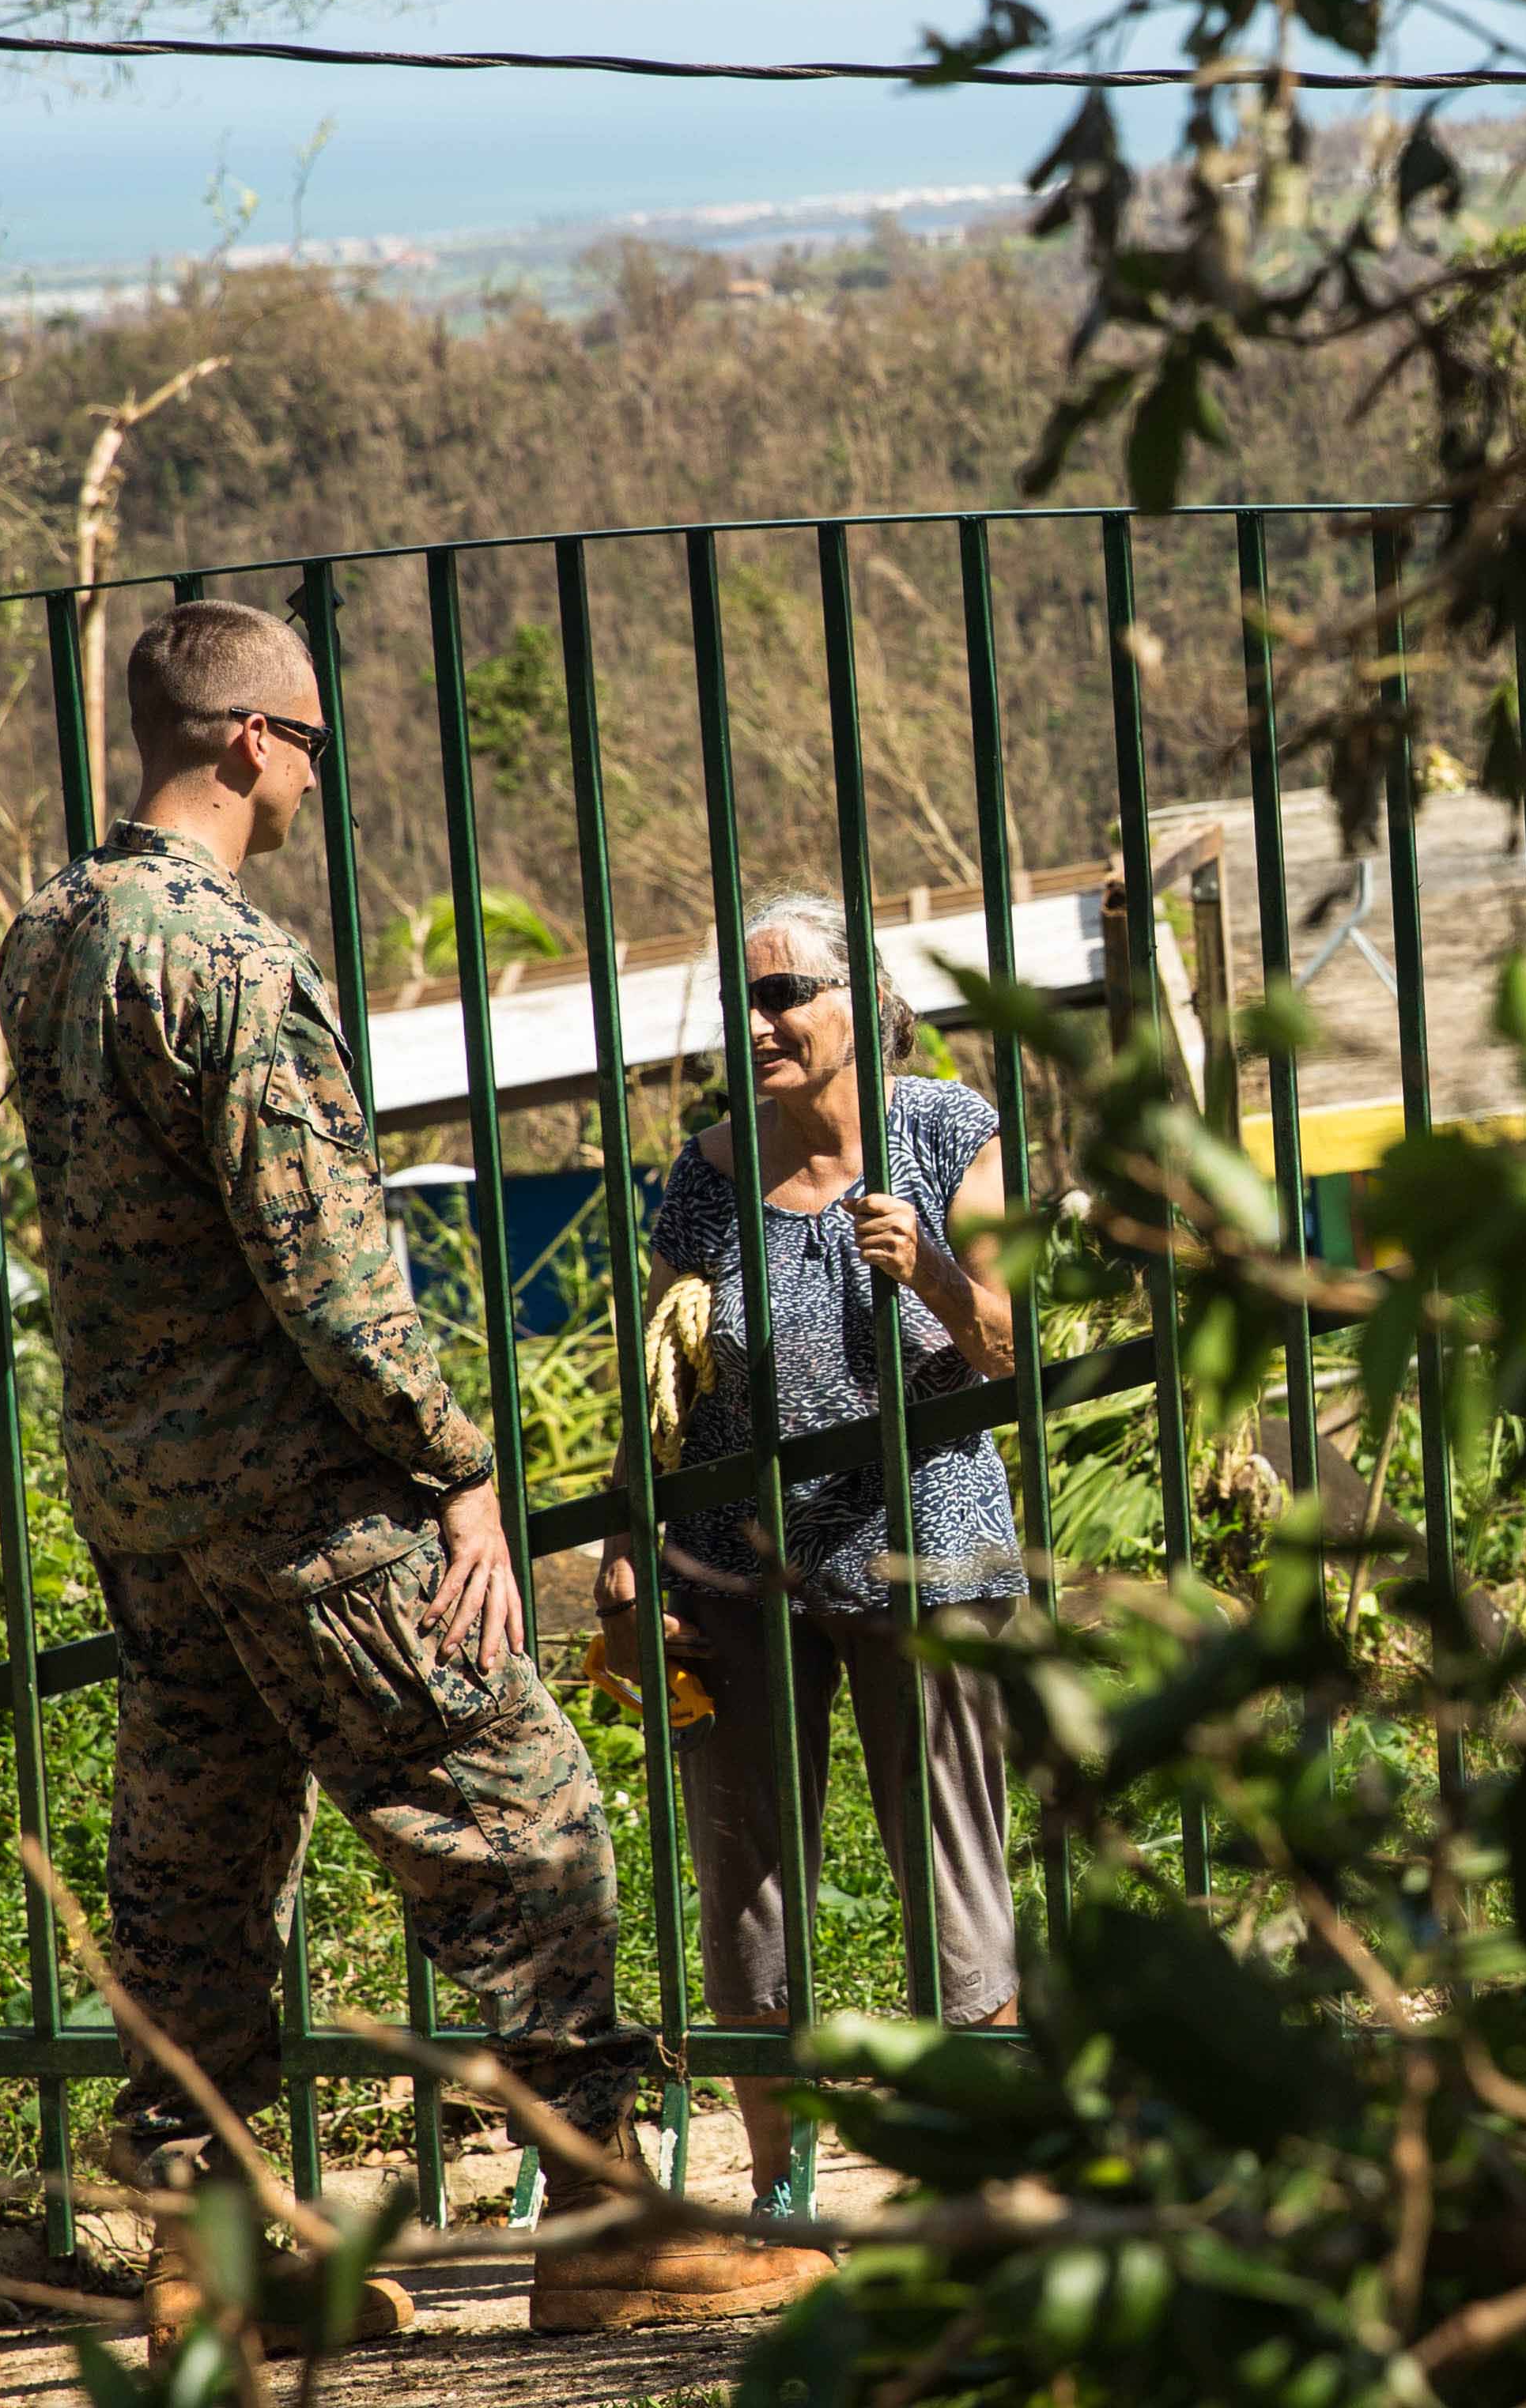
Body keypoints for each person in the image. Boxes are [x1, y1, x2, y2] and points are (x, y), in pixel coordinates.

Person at [0, 599, 824, 2335]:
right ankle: (604, 2222)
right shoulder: (224, 960)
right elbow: (324, 1262)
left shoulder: (49, 934)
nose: (312, 779)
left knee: (195, 1865)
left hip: (143, 1496)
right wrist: (455, 1466)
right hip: (302, 1499)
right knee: (522, 1811)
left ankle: (204, 2261)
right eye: (308, 746)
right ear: (248, 743)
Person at [595, 889, 1034, 2219]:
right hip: (736, 1567)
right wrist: (625, 1552)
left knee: (952, 1860)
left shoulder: (952, 1130)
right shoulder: (711, 1174)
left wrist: (944, 1280)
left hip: (928, 1552)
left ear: (866, 1003)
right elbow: (659, 1369)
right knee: (748, 1875)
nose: (764, 1021)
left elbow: (1011, 1354)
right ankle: (779, 2185)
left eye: (787, 993)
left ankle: (986, 2167)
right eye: (749, 998)